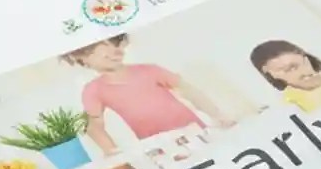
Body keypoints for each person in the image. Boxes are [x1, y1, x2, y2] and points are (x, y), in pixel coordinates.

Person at [65, 35, 235, 156]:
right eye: (98, 51)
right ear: (83, 59)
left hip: (195, 131)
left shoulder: (149, 70)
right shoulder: (94, 90)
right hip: (160, 146)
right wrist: (112, 151)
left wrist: (218, 115)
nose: (112, 52)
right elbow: (95, 126)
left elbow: (189, 91)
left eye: (113, 46)